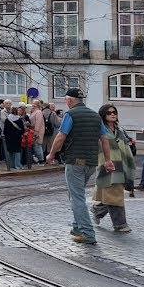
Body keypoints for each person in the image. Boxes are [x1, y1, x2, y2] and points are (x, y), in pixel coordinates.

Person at [46, 87, 111, 245]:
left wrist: (51, 154)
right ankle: (76, 228)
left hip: (75, 161)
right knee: (76, 194)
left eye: (66, 100)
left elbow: (61, 136)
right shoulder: (95, 116)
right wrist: (108, 160)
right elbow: (104, 139)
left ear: (69, 100)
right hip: (90, 162)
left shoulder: (70, 114)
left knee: (77, 198)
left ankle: (87, 232)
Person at [92, 104, 135, 233]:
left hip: (121, 165)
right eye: (109, 113)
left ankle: (98, 210)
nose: (112, 114)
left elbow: (126, 145)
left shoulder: (120, 130)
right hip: (107, 165)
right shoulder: (100, 129)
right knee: (115, 195)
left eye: (114, 112)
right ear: (103, 115)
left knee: (112, 194)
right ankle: (120, 224)